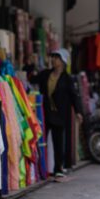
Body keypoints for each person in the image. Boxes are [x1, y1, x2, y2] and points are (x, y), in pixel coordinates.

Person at [36, 49, 82, 178]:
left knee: (58, 142)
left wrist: (78, 111)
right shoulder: (45, 74)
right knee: (41, 140)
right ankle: (40, 169)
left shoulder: (67, 79)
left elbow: (74, 96)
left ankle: (58, 168)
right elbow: (32, 79)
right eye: (53, 57)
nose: (53, 60)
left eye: (56, 58)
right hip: (46, 112)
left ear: (62, 61)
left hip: (60, 114)